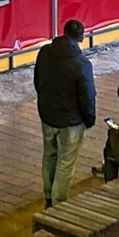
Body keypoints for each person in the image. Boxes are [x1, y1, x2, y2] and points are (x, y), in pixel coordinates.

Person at [34, 19, 96, 208]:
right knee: (65, 161)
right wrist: (89, 119)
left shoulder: (44, 52)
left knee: (50, 155)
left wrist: (45, 105)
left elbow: (38, 81)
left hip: (48, 115)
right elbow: (88, 96)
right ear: (81, 38)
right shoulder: (81, 64)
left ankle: (48, 196)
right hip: (71, 121)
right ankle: (58, 202)